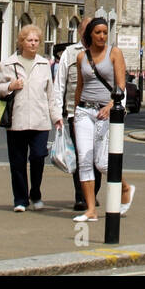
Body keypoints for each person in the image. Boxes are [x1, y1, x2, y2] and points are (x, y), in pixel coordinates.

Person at [72, 18, 135, 221]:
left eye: (105, 32)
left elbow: (120, 85)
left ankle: (125, 188)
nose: (102, 36)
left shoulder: (114, 53)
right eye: (98, 32)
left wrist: (110, 106)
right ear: (90, 34)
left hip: (105, 112)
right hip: (84, 111)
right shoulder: (82, 57)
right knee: (84, 160)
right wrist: (75, 111)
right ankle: (91, 209)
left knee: (102, 163)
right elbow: (79, 87)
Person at [0, 24, 61, 211]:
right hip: (17, 120)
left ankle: (36, 192)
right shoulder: (8, 64)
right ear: (21, 42)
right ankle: (20, 200)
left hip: (40, 120)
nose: (33, 44)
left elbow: (51, 93)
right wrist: (10, 86)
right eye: (29, 40)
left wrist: (56, 116)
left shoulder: (44, 64)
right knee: (17, 162)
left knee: (39, 157)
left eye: (36, 41)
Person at [54, 40, 93, 211]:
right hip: (74, 112)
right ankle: (81, 197)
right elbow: (59, 84)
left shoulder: (108, 52)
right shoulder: (70, 53)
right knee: (80, 154)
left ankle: (92, 193)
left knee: (97, 158)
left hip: (100, 113)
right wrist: (57, 113)